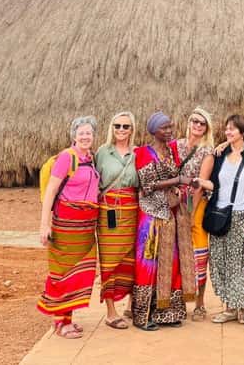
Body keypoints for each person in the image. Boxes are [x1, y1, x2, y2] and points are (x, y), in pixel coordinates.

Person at [37, 116, 101, 339]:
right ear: (74, 135)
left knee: (78, 273)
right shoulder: (67, 157)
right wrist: (44, 225)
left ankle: (68, 320)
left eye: (89, 133)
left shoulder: (91, 158)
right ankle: (60, 322)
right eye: (81, 133)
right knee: (63, 272)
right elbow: (50, 193)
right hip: (66, 225)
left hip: (85, 227)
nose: (85, 136)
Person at [131, 111, 196, 330]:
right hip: (151, 217)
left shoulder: (172, 151)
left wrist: (179, 188)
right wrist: (177, 179)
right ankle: (143, 315)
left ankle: (167, 313)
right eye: (164, 128)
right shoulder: (143, 153)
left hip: (171, 213)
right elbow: (147, 185)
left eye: (170, 127)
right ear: (153, 131)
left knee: (171, 263)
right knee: (149, 264)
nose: (168, 131)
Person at [194, 113, 244, 325]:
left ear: (243, 132)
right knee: (219, 263)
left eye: (233, 129)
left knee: (238, 263)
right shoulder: (220, 155)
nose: (228, 132)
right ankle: (230, 307)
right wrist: (201, 182)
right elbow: (215, 185)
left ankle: (243, 307)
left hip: (240, 216)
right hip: (218, 215)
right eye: (226, 128)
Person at [95, 111, 139, 329]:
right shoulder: (102, 152)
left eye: (126, 126)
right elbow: (92, 182)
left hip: (132, 211)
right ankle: (111, 312)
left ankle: (131, 305)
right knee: (109, 261)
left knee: (131, 260)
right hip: (109, 213)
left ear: (132, 129)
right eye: (117, 126)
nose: (121, 130)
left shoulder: (138, 153)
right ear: (111, 128)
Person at [174, 106, 215, 321]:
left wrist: (189, 213)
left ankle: (199, 302)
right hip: (175, 203)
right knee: (178, 253)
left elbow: (199, 185)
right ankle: (179, 297)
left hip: (194, 205)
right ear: (188, 122)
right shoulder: (177, 145)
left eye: (202, 123)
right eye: (194, 121)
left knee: (198, 252)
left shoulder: (207, 151)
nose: (197, 125)